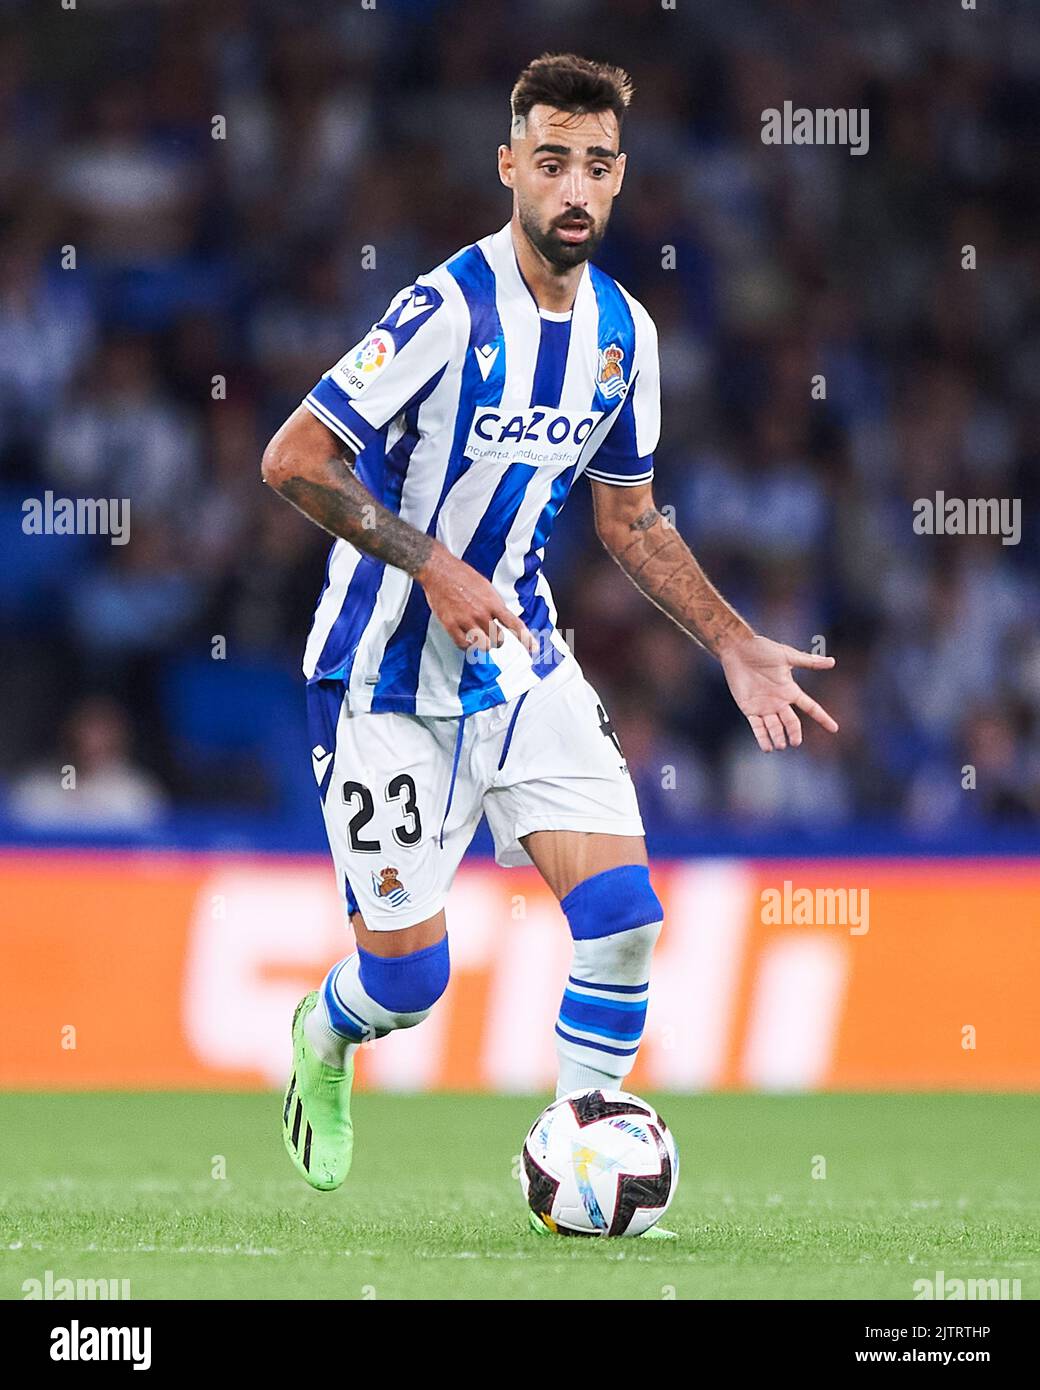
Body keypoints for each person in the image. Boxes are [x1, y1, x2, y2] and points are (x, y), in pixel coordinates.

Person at [261, 52, 837, 1237]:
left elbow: (629, 520)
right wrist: (432, 563)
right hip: (381, 676)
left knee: (624, 920)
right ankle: (324, 1028)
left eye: (596, 166)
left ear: (619, 178)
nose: (573, 187)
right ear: (509, 166)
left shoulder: (625, 333)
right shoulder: (443, 310)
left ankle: (580, 1154)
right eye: (551, 161)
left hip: (517, 660)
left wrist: (731, 641)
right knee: (406, 983)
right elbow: (292, 460)